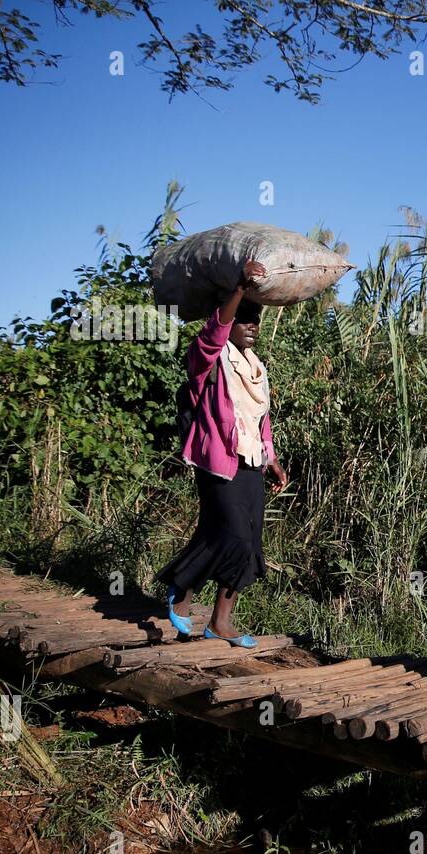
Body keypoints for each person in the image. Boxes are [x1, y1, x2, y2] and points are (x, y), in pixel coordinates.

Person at [157, 261, 289, 647]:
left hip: (251, 464)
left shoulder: (256, 369)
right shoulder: (208, 360)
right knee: (230, 535)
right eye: (244, 319)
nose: (251, 325)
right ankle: (181, 590)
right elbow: (213, 334)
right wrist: (240, 289)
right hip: (218, 461)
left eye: (256, 320)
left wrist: (273, 460)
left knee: (249, 543)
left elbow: (259, 421)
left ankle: (220, 622)